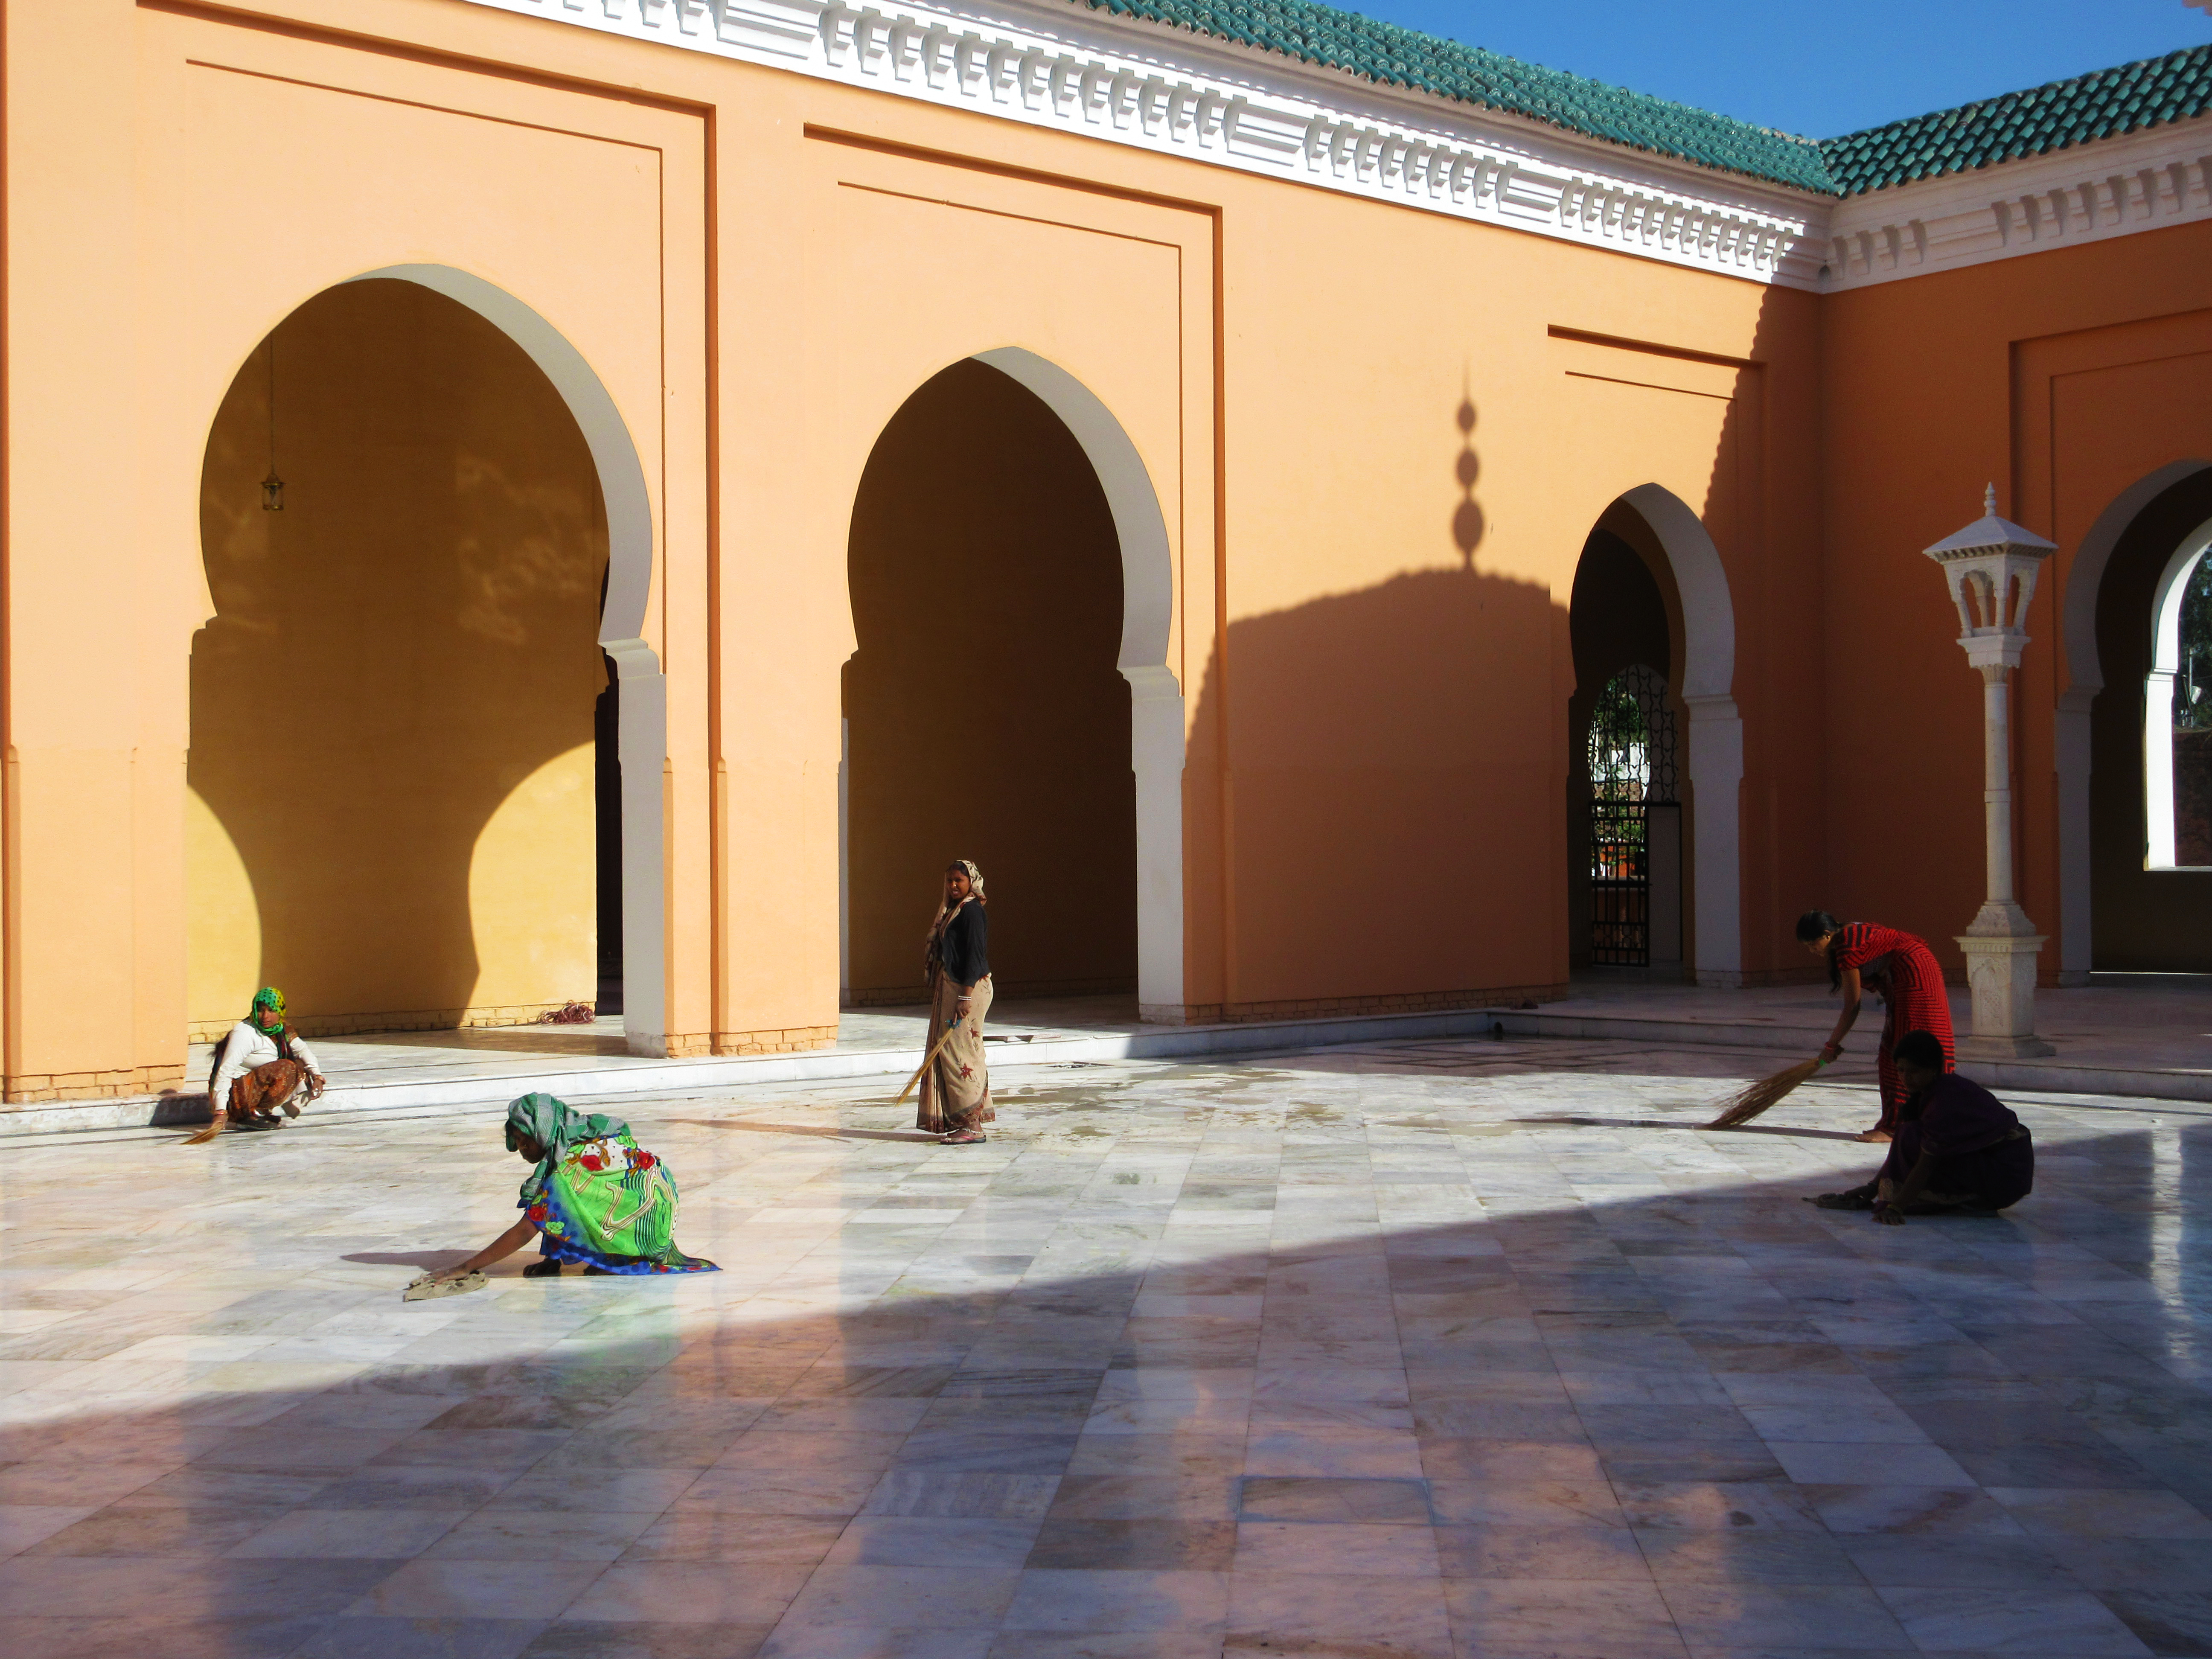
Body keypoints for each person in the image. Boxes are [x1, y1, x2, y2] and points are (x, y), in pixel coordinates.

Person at [422, 1093, 718, 1282]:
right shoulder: (572, 1139)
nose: (523, 1149)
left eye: (527, 1141)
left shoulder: (571, 1165)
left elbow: (528, 1227)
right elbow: (563, 1210)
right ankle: (605, 1254)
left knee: (554, 1198)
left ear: (545, 1132)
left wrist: (467, 1267)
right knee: (556, 1201)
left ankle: (623, 1256)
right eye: (519, 1143)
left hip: (650, 1225)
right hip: (651, 1208)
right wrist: (552, 1262)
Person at [1809, 1030, 2033, 1222]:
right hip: (1990, 1164)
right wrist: (1873, 1186)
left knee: (1914, 1139)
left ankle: (1971, 1199)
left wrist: (1897, 1208)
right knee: (1908, 1134)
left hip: (2005, 1177)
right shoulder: (1930, 1093)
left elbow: (1927, 1163)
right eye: (1901, 1070)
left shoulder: (1945, 1101)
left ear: (1933, 1070)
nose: (1906, 1078)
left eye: (1915, 1071)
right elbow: (1902, 1143)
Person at [1796, 910, 1956, 1141]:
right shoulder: (1848, 934)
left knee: (1904, 1048)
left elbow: (1852, 1006)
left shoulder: (1845, 946)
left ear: (1828, 935)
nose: (1814, 951)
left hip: (1914, 974)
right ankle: (1923, 1120)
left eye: (1814, 944)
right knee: (1904, 1045)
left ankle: (1896, 1128)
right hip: (1916, 969)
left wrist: (1831, 1046)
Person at [918, 859, 993, 1144]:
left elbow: (975, 956)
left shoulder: (972, 912)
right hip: (956, 987)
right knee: (959, 1051)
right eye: (950, 881)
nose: (953, 886)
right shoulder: (955, 911)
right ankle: (966, 1121)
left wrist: (965, 996)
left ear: (971, 882)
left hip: (968, 990)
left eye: (958, 881)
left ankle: (972, 1126)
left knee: (959, 1055)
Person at [201, 986, 326, 1136]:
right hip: (235, 1098)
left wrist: (317, 1076)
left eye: (271, 1011)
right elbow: (225, 1070)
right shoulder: (245, 1033)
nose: (265, 1016)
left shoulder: (282, 1030)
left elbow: (303, 1050)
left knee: (300, 1065)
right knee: (286, 1068)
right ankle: (247, 1115)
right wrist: (220, 1112)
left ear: (280, 1012)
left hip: (252, 1091)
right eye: (261, 1010)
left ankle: (260, 1112)